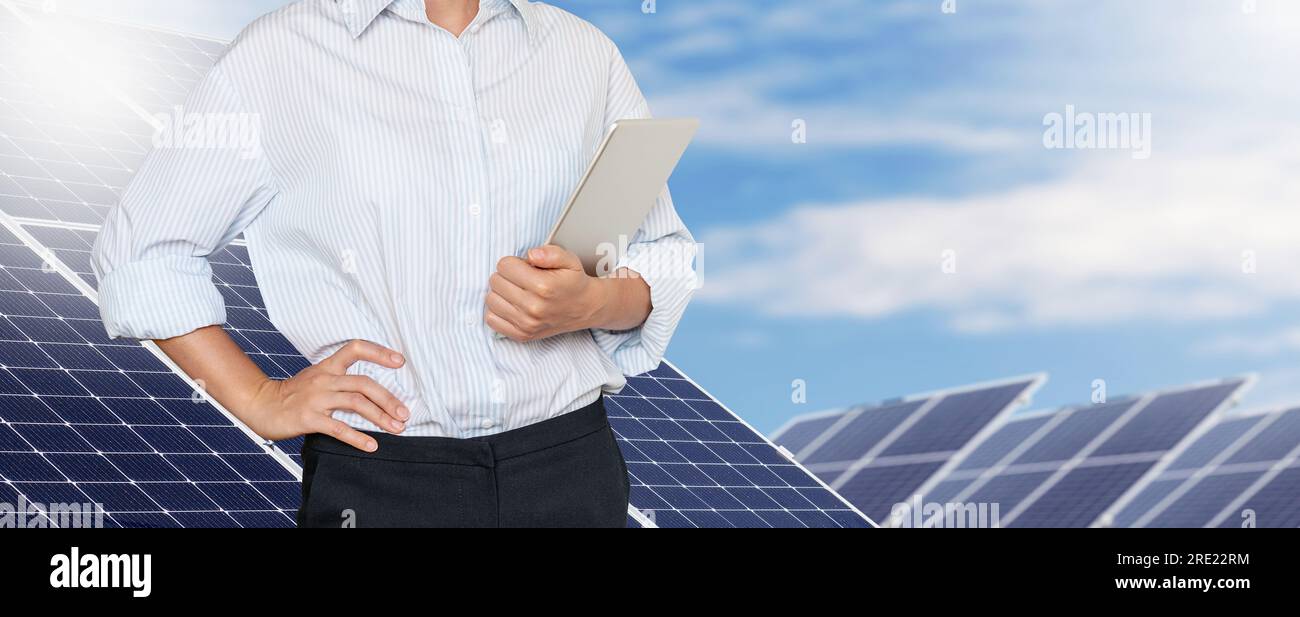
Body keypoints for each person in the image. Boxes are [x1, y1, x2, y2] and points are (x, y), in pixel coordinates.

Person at [91, 0, 697, 528]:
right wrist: (258, 397)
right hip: (383, 482)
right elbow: (142, 253)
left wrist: (591, 302)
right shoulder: (280, 55)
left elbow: (659, 251)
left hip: (572, 468)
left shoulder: (581, 52)